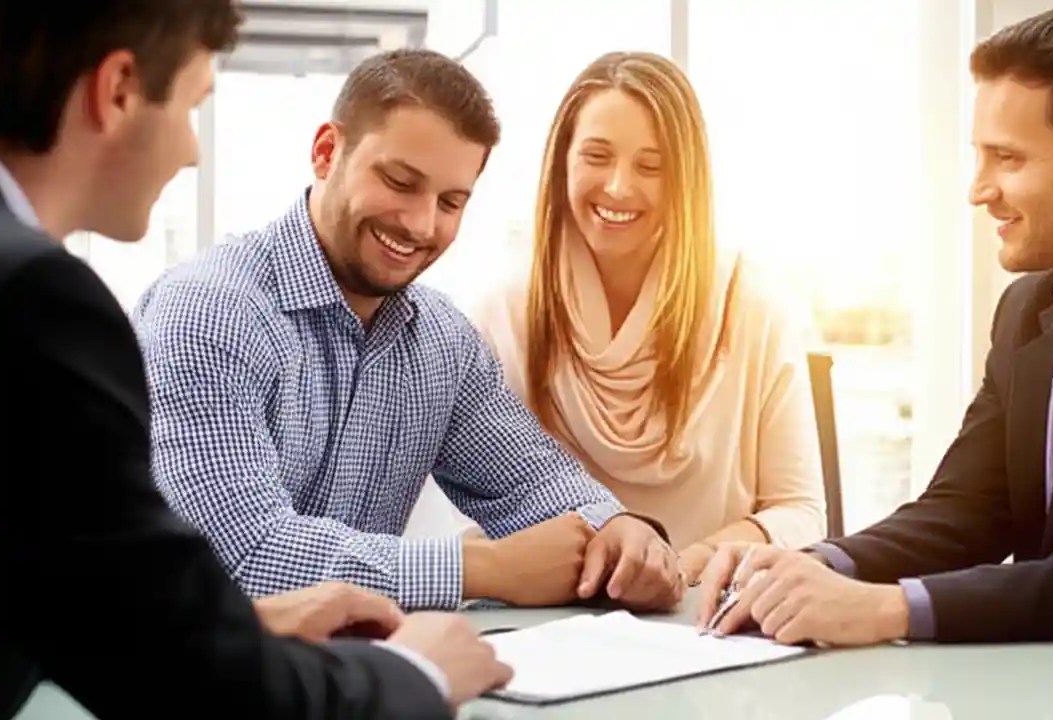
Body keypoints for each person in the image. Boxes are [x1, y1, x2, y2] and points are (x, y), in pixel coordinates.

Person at [0, 2, 512, 719]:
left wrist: (250, 625)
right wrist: (414, 673)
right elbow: (203, 687)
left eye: (451, 198)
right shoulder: (37, 298)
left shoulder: (443, 337)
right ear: (116, 91)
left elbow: (73, 599)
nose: (191, 152)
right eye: (192, 106)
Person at [697, 3, 1053, 645]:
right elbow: (966, 509)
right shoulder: (1027, 310)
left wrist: (887, 610)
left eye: (1008, 158)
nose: (979, 188)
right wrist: (819, 565)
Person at [131, 47, 683, 614]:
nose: (422, 225)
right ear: (326, 152)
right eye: (400, 182)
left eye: (450, 202)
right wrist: (484, 568)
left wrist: (618, 530)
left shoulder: (442, 342)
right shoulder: (206, 314)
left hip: (341, 683)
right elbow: (239, 555)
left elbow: (533, 481)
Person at [473, 51, 827, 584]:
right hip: (550, 622)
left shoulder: (754, 308)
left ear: (685, 180)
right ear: (562, 160)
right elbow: (477, 515)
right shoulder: (502, 313)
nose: (618, 187)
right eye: (597, 156)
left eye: (651, 165)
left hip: (707, 613)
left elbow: (800, 512)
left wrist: (684, 567)